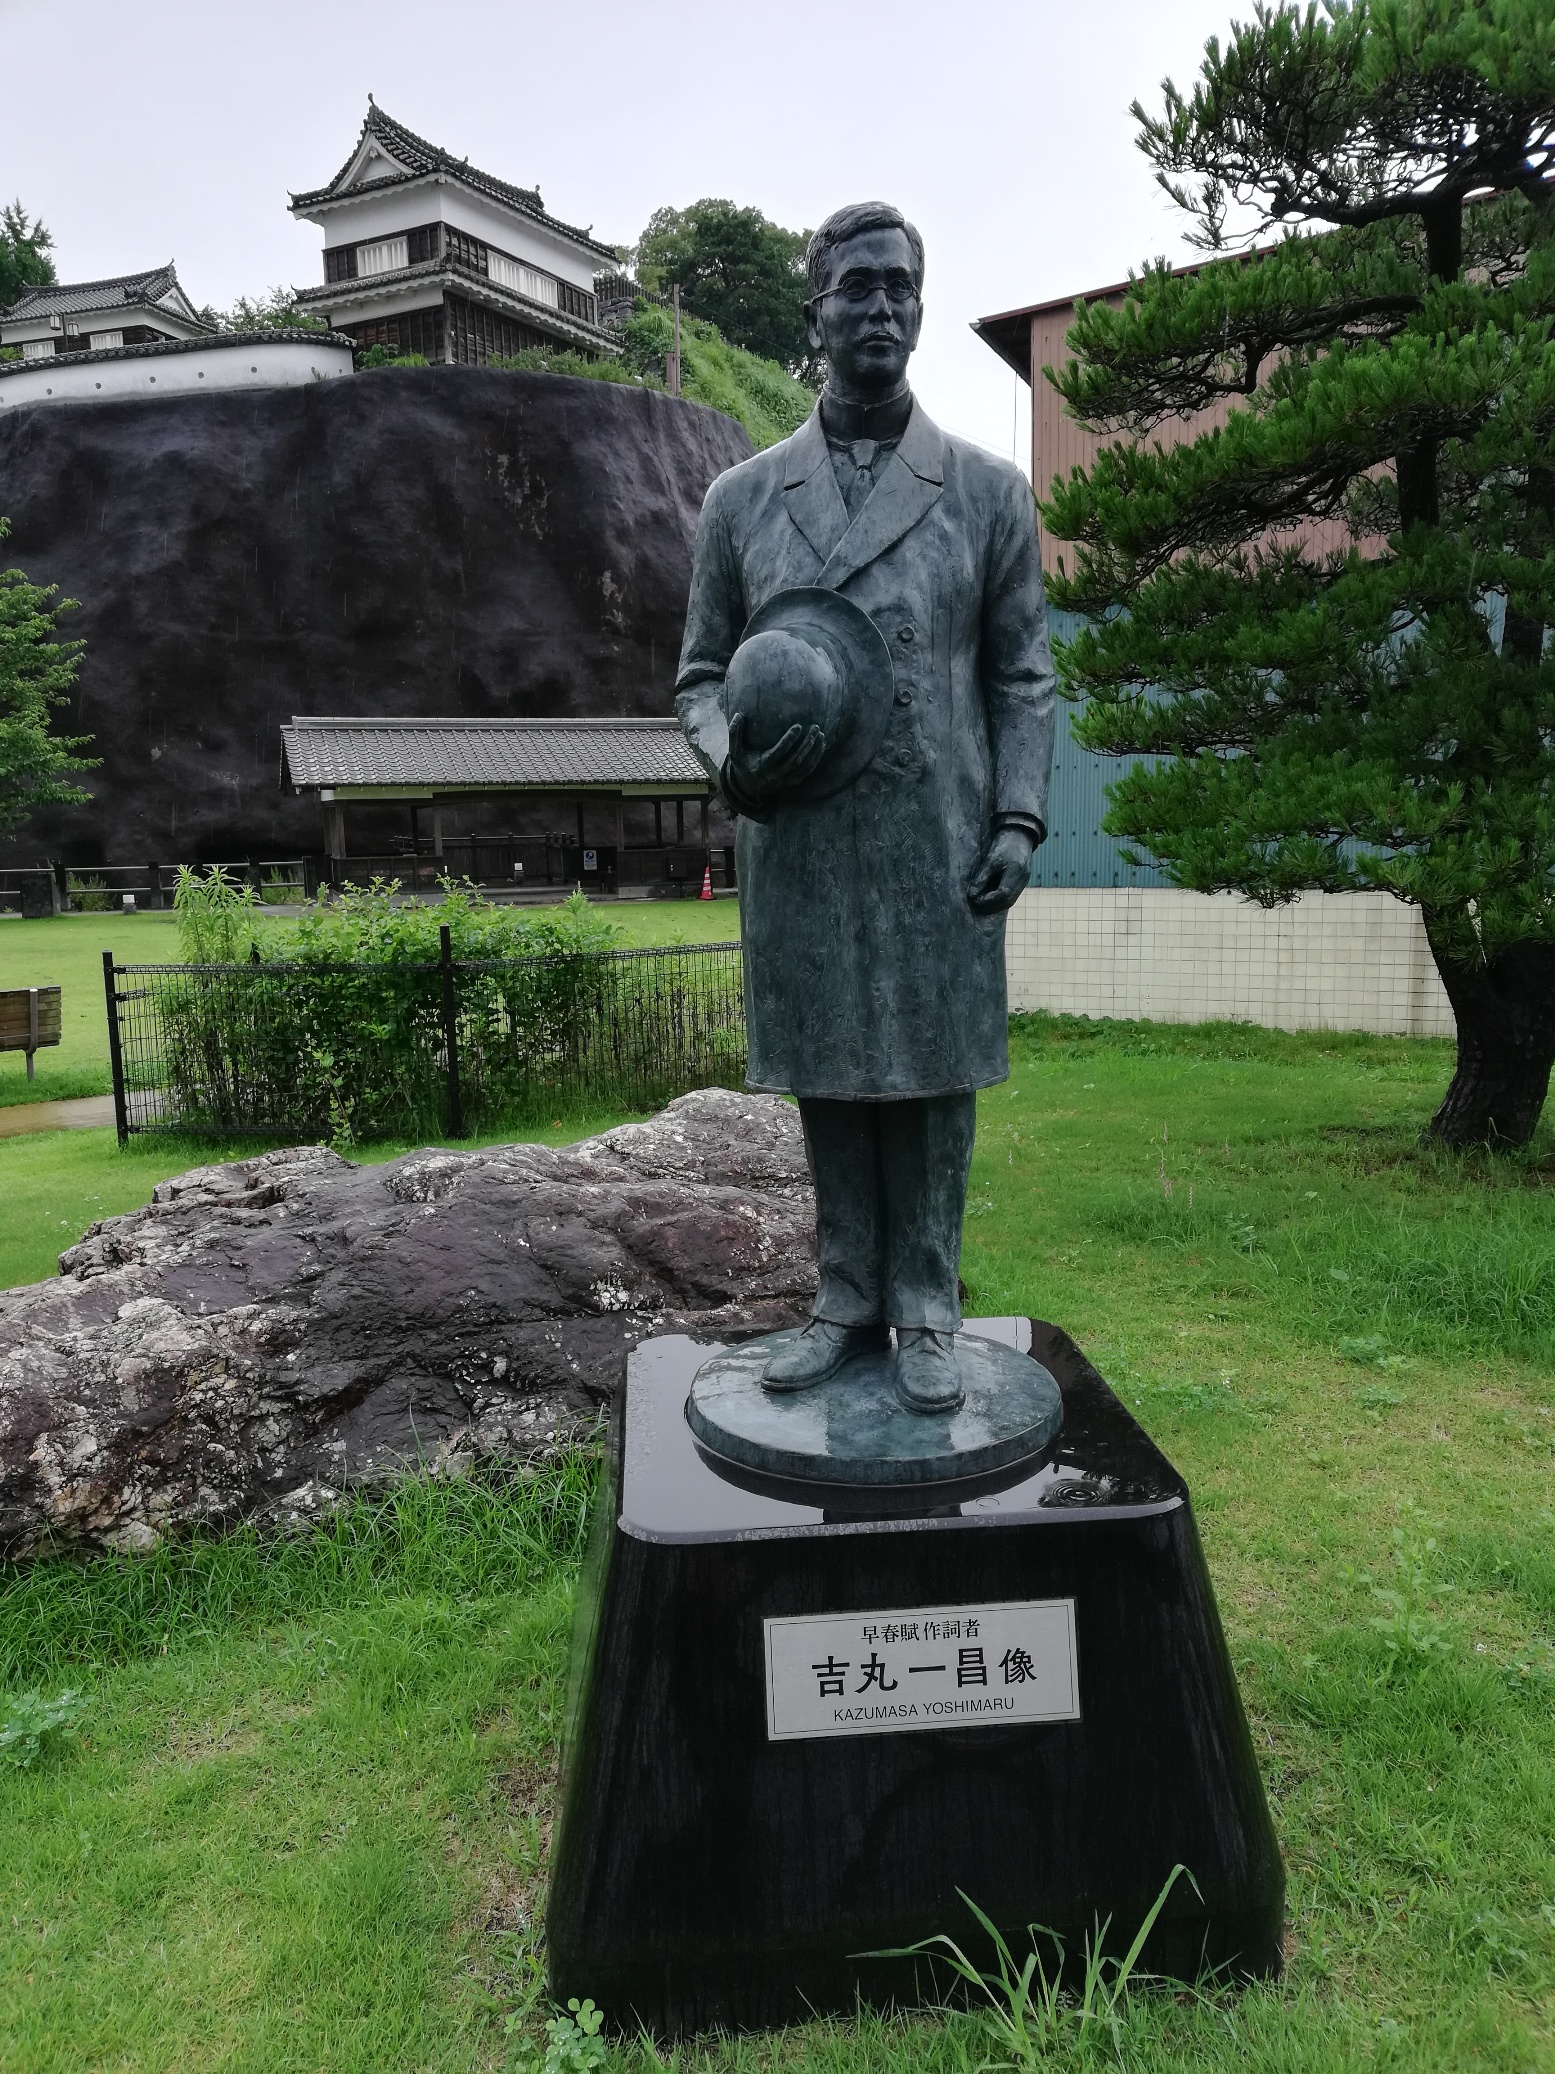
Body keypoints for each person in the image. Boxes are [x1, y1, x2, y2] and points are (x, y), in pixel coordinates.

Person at [675, 201, 1055, 1413]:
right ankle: (844, 1301)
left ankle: (927, 1306)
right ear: (816, 312)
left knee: (932, 1076)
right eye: (857, 286)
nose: (881, 305)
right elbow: (698, 677)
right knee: (830, 1074)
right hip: (801, 838)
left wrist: (1018, 819)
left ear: (920, 309)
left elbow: (1022, 676)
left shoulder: (987, 493)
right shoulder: (742, 500)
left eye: (899, 285)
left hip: (938, 840)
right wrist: (730, 757)